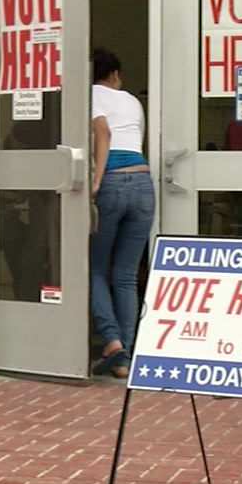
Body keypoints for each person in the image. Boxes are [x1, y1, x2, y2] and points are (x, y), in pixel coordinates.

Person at [88, 48, 155, 378]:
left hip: (112, 183)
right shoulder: (131, 100)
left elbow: (102, 132)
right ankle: (124, 360)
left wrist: (96, 180)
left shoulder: (88, 95)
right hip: (143, 182)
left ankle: (112, 340)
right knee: (126, 276)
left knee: (95, 268)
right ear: (115, 74)